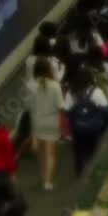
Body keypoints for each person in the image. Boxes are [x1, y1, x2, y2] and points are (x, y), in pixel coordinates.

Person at [65, 66, 108, 176]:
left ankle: (80, 171)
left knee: (79, 151)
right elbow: (105, 109)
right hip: (93, 128)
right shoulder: (96, 92)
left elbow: (66, 111)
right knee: (93, 150)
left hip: (77, 129)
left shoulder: (71, 93)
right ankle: (92, 172)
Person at [29, 58, 63, 191]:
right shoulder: (55, 85)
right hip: (52, 121)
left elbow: (29, 108)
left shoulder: (30, 85)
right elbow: (60, 106)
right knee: (50, 154)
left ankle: (43, 177)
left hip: (37, 122)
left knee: (41, 154)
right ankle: (48, 182)